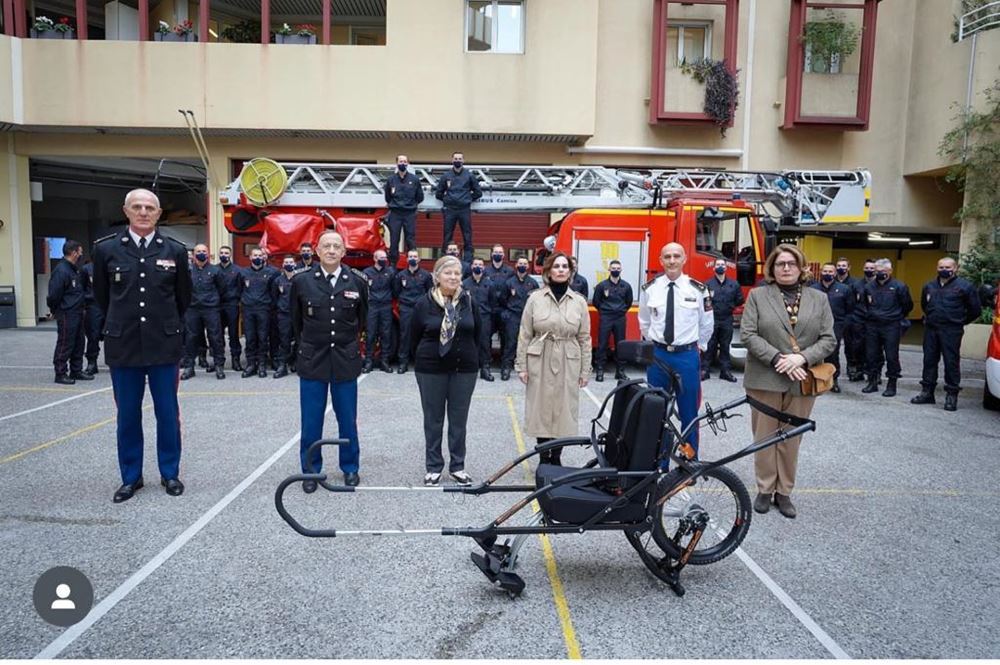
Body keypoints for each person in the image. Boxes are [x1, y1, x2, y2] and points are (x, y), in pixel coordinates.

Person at [91, 188, 192, 502]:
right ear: (126, 211)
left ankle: (169, 473)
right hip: (125, 346)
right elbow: (102, 297)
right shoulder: (106, 250)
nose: (144, 212)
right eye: (137, 207)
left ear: (159, 214)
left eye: (150, 207)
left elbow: (183, 298)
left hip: (164, 345)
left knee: (167, 412)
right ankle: (131, 477)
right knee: (128, 416)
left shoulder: (174, 250)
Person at [740, 244, 835, 519]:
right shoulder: (758, 296)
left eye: (791, 264)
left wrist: (801, 359)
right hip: (765, 377)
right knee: (765, 436)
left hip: (802, 378)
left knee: (792, 439)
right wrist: (779, 359)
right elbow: (748, 334)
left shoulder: (819, 299)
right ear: (772, 268)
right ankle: (765, 489)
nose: (785, 268)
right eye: (780, 264)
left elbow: (828, 339)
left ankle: (784, 492)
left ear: (801, 267)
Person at [292, 230, 369, 489]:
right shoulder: (302, 281)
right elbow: (295, 322)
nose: (332, 250)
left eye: (337, 246)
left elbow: (362, 320)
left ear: (344, 252)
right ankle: (311, 471)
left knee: (347, 419)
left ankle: (350, 467)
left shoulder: (357, 281)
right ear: (317, 250)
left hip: (345, 360)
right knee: (311, 420)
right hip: (313, 359)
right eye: (327, 246)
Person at [638, 243, 713, 465]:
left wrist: (698, 348)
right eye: (667, 256)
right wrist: (654, 345)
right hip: (659, 356)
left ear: (684, 259)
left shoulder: (697, 289)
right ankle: (658, 462)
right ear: (661, 260)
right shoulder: (649, 289)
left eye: (676, 256)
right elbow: (644, 321)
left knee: (689, 411)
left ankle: (689, 459)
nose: (672, 260)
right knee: (657, 410)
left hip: (687, 357)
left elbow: (706, 324)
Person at [410, 255, 481, 486]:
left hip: (464, 370)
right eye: (448, 272)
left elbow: (478, 333)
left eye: (457, 273)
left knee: (459, 421)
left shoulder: (469, 301)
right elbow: (413, 336)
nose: (453, 277)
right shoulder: (424, 303)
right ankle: (433, 467)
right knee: (433, 419)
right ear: (436, 276)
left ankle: (458, 466)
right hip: (431, 370)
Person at [515, 252, 591, 465]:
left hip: (569, 357)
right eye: (556, 266)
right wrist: (521, 365)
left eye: (564, 266)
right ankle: (543, 458)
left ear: (570, 271)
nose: (560, 270)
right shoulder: (535, 299)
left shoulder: (578, 302)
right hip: (540, 356)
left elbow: (585, 337)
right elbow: (524, 333)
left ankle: (556, 458)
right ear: (548, 271)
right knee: (541, 407)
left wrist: (586, 370)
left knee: (563, 409)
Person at [911, 257, 981, 411]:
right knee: (929, 360)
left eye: (948, 267)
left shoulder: (965, 287)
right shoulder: (929, 286)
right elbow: (925, 305)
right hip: (931, 329)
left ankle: (951, 395)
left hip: (951, 330)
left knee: (951, 362)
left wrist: (959, 321)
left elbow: (975, 310)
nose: (944, 269)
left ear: (955, 269)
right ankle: (927, 392)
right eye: (941, 266)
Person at [861, 258, 913, 397]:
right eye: (877, 271)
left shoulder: (899, 286)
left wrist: (896, 316)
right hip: (872, 324)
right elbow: (865, 304)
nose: (879, 273)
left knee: (891, 356)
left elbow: (907, 305)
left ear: (890, 271)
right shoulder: (869, 287)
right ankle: (872, 381)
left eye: (883, 271)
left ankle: (892, 384)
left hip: (891, 325)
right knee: (871, 355)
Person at [47, 239, 91, 385]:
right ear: (74, 253)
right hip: (67, 313)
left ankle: (76, 370)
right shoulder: (61, 271)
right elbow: (54, 295)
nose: (81, 254)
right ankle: (60, 373)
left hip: (78, 312)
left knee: (79, 342)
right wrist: (55, 310)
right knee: (66, 342)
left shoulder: (74, 269)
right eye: (80, 252)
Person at [180, 243, 226, 380]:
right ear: (194, 255)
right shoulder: (187, 271)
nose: (201, 254)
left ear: (208, 254)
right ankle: (189, 367)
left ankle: (219, 366)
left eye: (204, 251)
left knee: (215, 337)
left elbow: (222, 289)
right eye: (198, 251)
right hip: (192, 309)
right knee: (190, 337)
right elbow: (183, 289)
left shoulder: (216, 271)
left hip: (211, 308)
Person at [809, 262, 854, 393]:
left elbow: (850, 309)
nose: (827, 274)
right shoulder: (813, 288)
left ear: (834, 273)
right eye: (825, 271)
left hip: (836, 325)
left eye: (830, 272)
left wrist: (844, 325)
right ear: (821, 272)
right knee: (814, 353)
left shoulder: (845, 289)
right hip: (815, 325)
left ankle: (833, 380)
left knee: (832, 354)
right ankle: (814, 380)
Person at [702, 257, 744, 383]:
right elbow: (704, 301)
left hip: (727, 319)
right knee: (710, 345)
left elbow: (739, 300)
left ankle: (725, 371)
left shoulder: (734, 284)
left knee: (725, 346)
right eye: (718, 264)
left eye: (722, 264)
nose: (720, 266)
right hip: (712, 319)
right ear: (714, 268)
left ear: (726, 268)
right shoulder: (708, 284)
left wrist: (729, 307)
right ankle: (705, 371)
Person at [435, 151, 482, 263]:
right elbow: (438, 193)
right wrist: (448, 200)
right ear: (452, 160)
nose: (457, 161)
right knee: (447, 235)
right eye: (455, 158)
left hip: (464, 209)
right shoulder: (446, 176)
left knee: (467, 235)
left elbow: (478, 192)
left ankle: (469, 260)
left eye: (460, 159)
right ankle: (444, 260)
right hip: (450, 209)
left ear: (463, 161)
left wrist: (467, 199)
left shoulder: (469, 175)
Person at [592, 259, 633, 382]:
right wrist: (605, 311)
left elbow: (628, 302)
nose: (615, 270)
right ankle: (600, 370)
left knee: (620, 345)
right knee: (602, 344)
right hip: (606, 317)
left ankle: (620, 372)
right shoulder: (602, 285)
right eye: (613, 268)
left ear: (621, 270)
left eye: (617, 268)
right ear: (609, 269)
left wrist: (621, 311)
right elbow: (596, 302)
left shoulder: (626, 286)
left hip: (620, 318)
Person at [392, 249, 433, 374]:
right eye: (410, 256)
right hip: (406, 308)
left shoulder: (426, 275)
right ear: (407, 259)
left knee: (421, 336)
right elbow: (396, 292)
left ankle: (419, 362)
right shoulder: (400, 275)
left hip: (420, 309)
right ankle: (403, 362)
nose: (412, 259)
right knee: (405, 335)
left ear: (419, 259)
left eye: (415, 256)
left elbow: (430, 292)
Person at [500, 256, 539, 381]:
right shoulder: (509, 282)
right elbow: (502, 300)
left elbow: (538, 302)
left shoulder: (533, 283)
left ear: (528, 266)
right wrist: (507, 313)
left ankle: (528, 368)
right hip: (513, 316)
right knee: (510, 343)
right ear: (516, 265)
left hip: (528, 317)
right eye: (520, 263)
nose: (522, 265)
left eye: (525, 263)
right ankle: (506, 368)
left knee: (529, 343)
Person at [240, 247, 276, 378]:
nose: (257, 257)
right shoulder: (243, 273)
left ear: (263, 257)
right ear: (250, 257)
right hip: (248, 309)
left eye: (260, 255)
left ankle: (261, 364)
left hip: (263, 309)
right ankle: (250, 364)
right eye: (255, 255)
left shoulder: (271, 273)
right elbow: (240, 289)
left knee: (262, 337)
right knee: (250, 337)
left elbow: (273, 292)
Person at [384, 155, 424, 267]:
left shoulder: (414, 179)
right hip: (395, 213)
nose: (403, 163)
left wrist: (411, 205)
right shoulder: (391, 180)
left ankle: (413, 263)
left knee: (410, 239)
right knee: (394, 239)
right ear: (396, 163)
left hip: (409, 213)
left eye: (405, 161)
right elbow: (387, 197)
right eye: (401, 161)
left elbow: (420, 197)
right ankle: (392, 264)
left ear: (408, 163)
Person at [362, 249, 395, 373]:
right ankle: (369, 361)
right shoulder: (367, 272)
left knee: (386, 334)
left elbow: (395, 289)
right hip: (372, 306)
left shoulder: (390, 272)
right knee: (370, 334)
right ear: (375, 259)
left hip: (386, 306)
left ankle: (384, 361)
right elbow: (363, 290)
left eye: (385, 258)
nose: (384, 260)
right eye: (381, 258)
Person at [463, 257, 496, 382]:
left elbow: (493, 303)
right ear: (471, 267)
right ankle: (468, 369)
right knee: (468, 342)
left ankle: (485, 368)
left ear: (484, 267)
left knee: (484, 343)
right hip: (469, 317)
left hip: (484, 317)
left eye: (480, 265)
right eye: (475, 264)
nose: (478, 266)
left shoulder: (490, 284)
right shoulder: (464, 284)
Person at [483, 244, 514, 374]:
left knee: (506, 338)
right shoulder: (485, 271)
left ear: (503, 255)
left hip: (504, 310)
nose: (498, 254)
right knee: (485, 338)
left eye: (500, 252)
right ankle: (486, 364)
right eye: (495, 252)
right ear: (491, 254)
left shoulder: (510, 271)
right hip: (489, 310)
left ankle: (505, 365)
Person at [834, 257, 864, 381]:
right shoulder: (831, 282)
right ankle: (834, 371)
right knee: (833, 346)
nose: (841, 268)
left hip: (850, 318)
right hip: (834, 319)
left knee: (851, 345)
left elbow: (857, 302)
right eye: (839, 265)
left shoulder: (855, 283)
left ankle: (852, 367)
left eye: (844, 266)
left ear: (849, 267)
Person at [215, 245, 244, 372]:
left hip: (232, 305)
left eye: (226, 253)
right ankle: (219, 361)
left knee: (233, 334)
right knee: (218, 335)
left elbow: (241, 288)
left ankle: (235, 360)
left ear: (230, 255)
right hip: (217, 305)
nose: (224, 255)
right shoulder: (214, 269)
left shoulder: (238, 270)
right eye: (221, 253)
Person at [850, 258, 879, 382]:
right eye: (867, 268)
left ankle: (875, 373)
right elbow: (851, 303)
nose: (869, 270)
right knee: (858, 346)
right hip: (859, 320)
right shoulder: (856, 285)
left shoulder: (881, 285)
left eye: (872, 268)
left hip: (876, 322)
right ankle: (859, 370)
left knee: (875, 349)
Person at [271, 255, 298, 378]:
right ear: (282, 265)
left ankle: (297, 363)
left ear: (295, 264)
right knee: (284, 340)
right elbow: (274, 297)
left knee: (300, 340)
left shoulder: (300, 279)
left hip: (298, 315)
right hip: (284, 315)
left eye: (291, 262)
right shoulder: (278, 280)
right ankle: (283, 365)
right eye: (286, 262)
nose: (288, 264)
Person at [81, 259, 105, 376]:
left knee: (116, 336)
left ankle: (117, 362)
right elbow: (81, 288)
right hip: (94, 304)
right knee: (93, 335)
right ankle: (92, 362)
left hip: (112, 304)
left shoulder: (112, 264)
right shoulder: (87, 269)